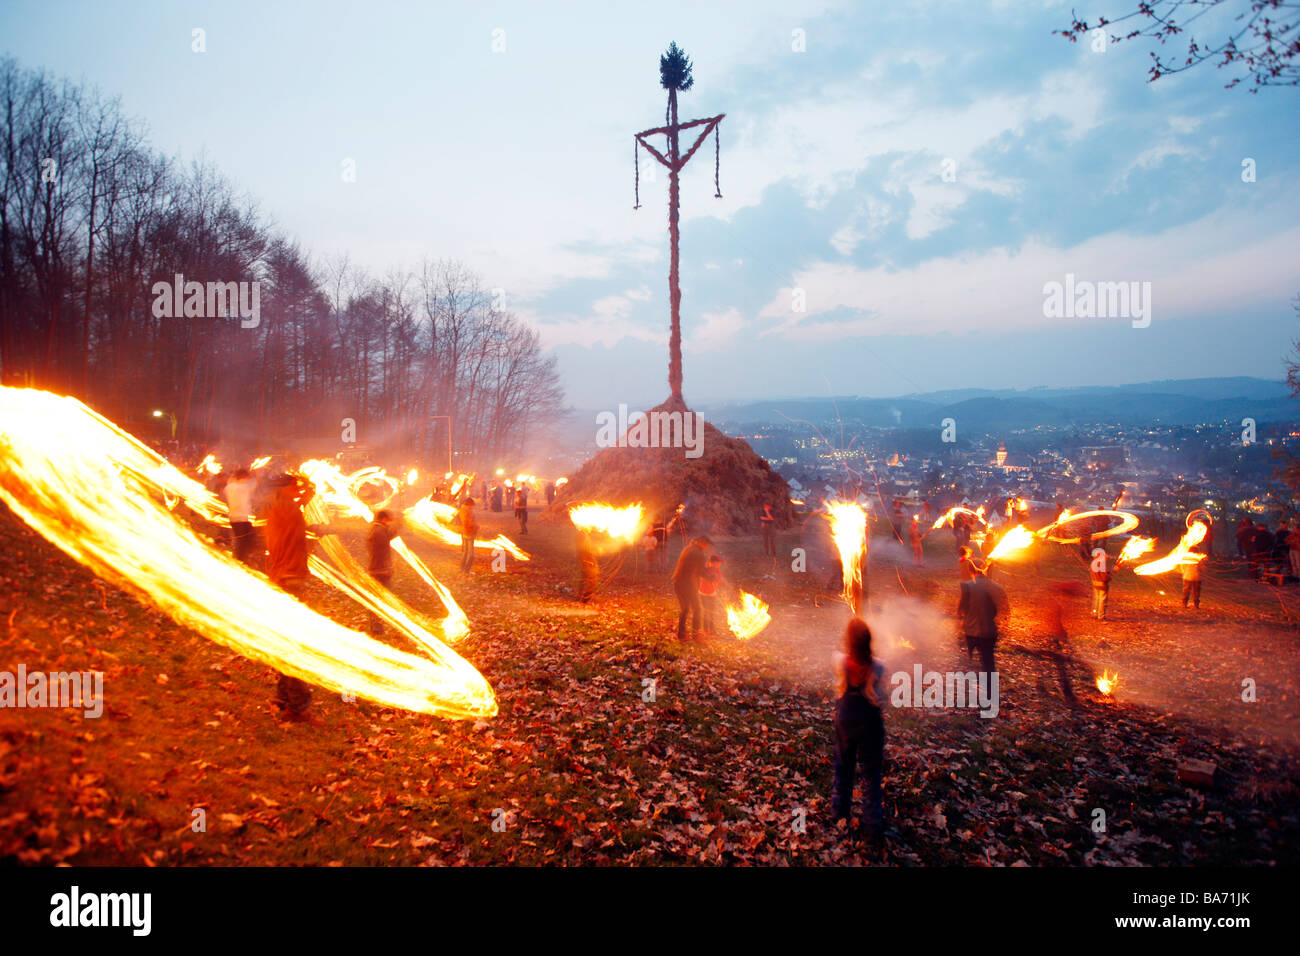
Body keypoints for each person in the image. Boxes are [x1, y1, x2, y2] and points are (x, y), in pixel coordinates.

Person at [264, 474, 317, 722]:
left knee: (286, 640)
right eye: (292, 486)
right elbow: (299, 515)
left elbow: (299, 507)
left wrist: (306, 493)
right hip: (291, 578)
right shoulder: (288, 509)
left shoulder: (277, 507)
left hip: (281, 576)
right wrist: (307, 485)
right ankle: (297, 707)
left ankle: (283, 695)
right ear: (284, 488)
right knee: (296, 644)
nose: (297, 489)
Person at [831, 617, 886, 846]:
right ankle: (872, 826)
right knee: (870, 776)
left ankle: (839, 815)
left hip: (846, 721)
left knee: (844, 769)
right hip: (870, 724)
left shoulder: (841, 661)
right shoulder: (879, 666)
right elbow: (881, 695)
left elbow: (837, 656)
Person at [957, 568, 1008, 677]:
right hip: (988, 632)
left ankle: (975, 685)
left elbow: (961, 609)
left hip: (971, 631)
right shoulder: (997, 587)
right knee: (988, 663)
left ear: (971, 571)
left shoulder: (967, 586)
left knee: (970, 663)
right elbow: (1004, 611)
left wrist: (963, 621)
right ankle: (989, 689)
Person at [367, 509, 400, 633]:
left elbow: (386, 538)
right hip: (379, 571)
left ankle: (377, 626)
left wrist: (395, 529)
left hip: (378, 569)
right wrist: (385, 568)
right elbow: (381, 552)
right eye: (389, 520)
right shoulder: (378, 532)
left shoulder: (378, 530)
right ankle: (376, 626)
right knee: (379, 598)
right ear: (384, 519)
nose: (390, 522)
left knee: (380, 598)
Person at [672, 535, 711, 641]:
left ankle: (681, 634)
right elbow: (700, 571)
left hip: (678, 582)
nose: (707, 547)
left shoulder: (687, 549)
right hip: (689, 584)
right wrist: (711, 578)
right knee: (697, 609)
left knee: (685, 608)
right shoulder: (699, 554)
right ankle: (696, 634)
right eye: (707, 545)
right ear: (702, 543)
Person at [224, 466, 257, 565]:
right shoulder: (243, 487)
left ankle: (240, 559)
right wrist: (256, 474)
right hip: (241, 518)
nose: (247, 479)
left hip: (235, 517)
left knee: (242, 540)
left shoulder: (229, 487)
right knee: (244, 541)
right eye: (246, 477)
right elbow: (253, 485)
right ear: (242, 476)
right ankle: (240, 561)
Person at [699, 554, 724, 634]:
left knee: (712, 611)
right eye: (717, 563)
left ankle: (712, 628)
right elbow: (702, 577)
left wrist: (717, 580)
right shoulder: (705, 570)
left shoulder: (718, 571)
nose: (718, 565)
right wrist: (710, 576)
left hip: (712, 593)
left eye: (719, 563)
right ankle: (706, 629)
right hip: (703, 593)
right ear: (711, 563)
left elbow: (718, 581)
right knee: (706, 611)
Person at [457, 497, 478, 572]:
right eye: (472, 505)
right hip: (469, 532)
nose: (472, 507)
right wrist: (475, 528)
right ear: (469, 504)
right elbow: (468, 522)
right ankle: (466, 569)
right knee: (471, 554)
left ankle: (462, 568)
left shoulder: (462, 510)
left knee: (465, 552)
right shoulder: (468, 511)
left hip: (464, 532)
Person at [1089, 546, 1111, 620]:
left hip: (1095, 583)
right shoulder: (1101, 564)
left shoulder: (1093, 563)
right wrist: (1109, 576)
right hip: (1102, 585)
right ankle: (1101, 616)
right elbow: (1104, 577)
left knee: (1096, 599)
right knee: (1102, 600)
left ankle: (1094, 613)